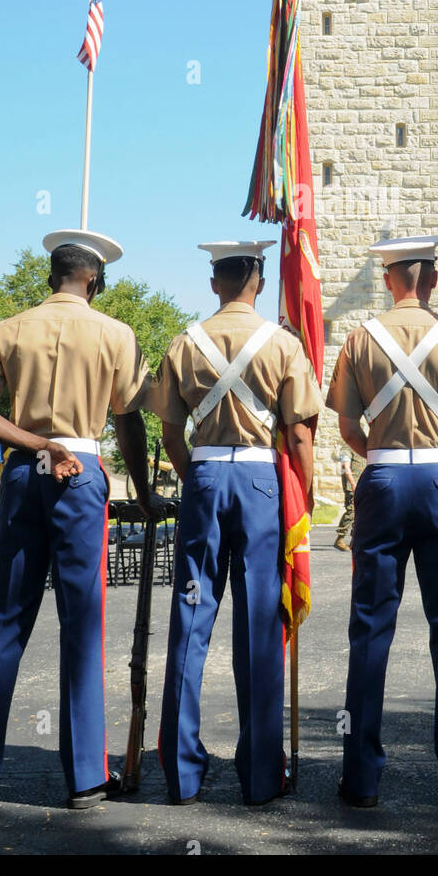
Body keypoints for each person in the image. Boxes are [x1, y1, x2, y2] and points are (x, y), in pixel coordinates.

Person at [0, 229, 160, 811]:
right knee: (82, 624)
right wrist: (143, 492)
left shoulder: (9, 328)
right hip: (81, 470)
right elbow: (129, 419)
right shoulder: (116, 333)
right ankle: (85, 781)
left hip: (26, 470)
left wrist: (34, 441)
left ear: (53, 275)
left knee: (2, 623)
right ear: (92, 278)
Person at [326, 235, 438, 809]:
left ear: (388, 279)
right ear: (428, 279)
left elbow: (348, 427)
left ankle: (361, 779)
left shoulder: (358, 338)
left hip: (382, 480)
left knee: (370, 628)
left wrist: (379, 450)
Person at [152, 240, 322, 807]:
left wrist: (195, 473)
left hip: (203, 475)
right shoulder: (283, 344)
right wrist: (309, 486)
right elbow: (298, 431)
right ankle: (259, 775)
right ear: (259, 282)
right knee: (258, 623)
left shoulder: (185, 341)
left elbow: (169, 431)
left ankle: (180, 773)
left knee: (190, 616)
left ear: (214, 283)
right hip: (258, 482)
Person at [334, 445, 357, 551]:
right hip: (352, 487)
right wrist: (353, 484)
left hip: (361, 484)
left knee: (360, 514)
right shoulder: (347, 449)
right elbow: (345, 467)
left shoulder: (360, 446)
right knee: (351, 512)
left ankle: (355, 540)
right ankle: (340, 538)